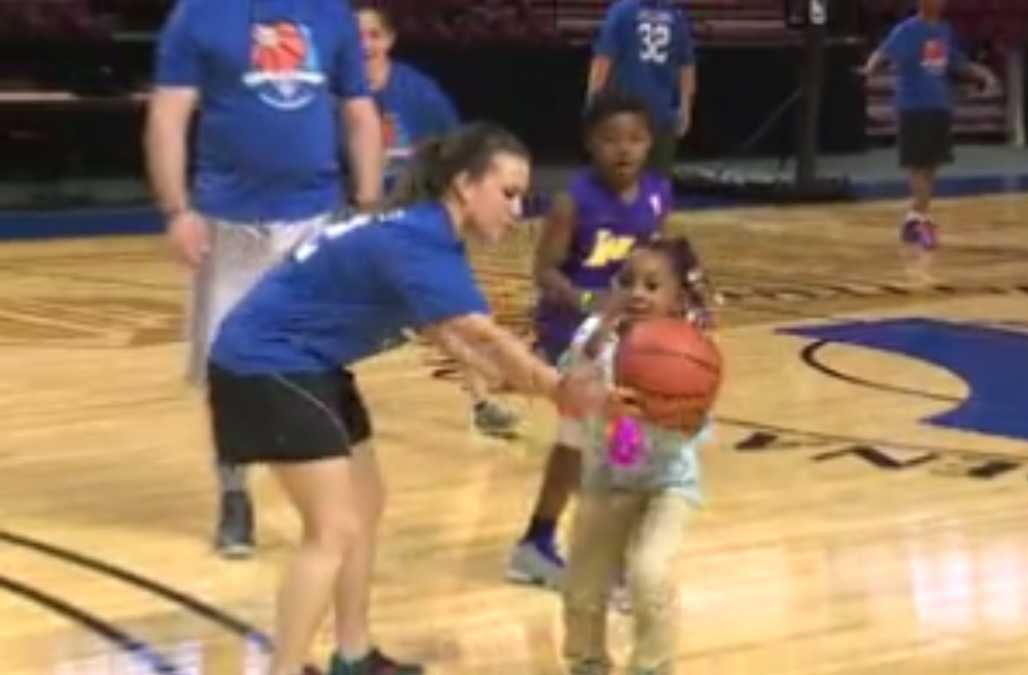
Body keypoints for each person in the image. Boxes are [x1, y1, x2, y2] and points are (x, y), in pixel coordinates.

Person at [206, 122, 637, 675]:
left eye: (522, 198)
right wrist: (557, 388)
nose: (516, 211)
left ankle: (353, 655)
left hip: (310, 363)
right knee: (331, 530)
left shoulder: (422, 233)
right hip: (265, 365)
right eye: (507, 193)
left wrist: (513, 379)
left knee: (365, 505)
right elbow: (481, 334)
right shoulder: (419, 243)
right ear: (464, 186)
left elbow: (450, 334)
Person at [144, 0, 383, 558]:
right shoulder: (198, 14)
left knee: (319, 356)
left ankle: (328, 491)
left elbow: (360, 112)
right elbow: (168, 116)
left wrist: (369, 205)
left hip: (314, 215)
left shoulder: (331, 15)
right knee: (227, 367)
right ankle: (234, 491)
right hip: (228, 220)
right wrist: (177, 209)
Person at [507, 91, 674, 589]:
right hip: (575, 333)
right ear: (590, 143)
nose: (624, 149)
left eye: (636, 139)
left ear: (650, 143)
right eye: (611, 139)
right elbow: (544, 271)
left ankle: (537, 543)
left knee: (579, 445)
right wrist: (588, 301)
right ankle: (608, 559)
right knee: (619, 443)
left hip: (626, 335)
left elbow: (657, 263)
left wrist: (676, 298)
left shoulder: (658, 193)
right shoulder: (572, 200)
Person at [355, 4, 518, 436]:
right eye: (356, 37)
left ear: (390, 39)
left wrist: (457, 212)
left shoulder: (420, 93)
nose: (364, 45)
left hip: (415, 224)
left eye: (373, 35)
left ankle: (484, 400)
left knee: (448, 314)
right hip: (355, 223)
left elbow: (457, 154)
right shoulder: (333, 94)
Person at [561, 237, 715, 675]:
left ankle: (652, 666)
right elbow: (568, 383)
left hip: (668, 483)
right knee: (583, 585)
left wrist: (661, 414)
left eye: (652, 285)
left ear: (678, 298)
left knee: (649, 574)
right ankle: (586, 662)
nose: (637, 294)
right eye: (627, 282)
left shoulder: (692, 350)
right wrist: (603, 398)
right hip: (606, 479)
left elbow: (695, 428)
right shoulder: (595, 337)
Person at [861, 0, 999, 250]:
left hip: (939, 105)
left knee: (932, 165)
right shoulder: (907, 30)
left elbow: (956, 62)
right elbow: (884, 52)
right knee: (917, 164)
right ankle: (921, 219)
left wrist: (983, 74)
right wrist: (870, 68)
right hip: (913, 106)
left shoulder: (944, 30)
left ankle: (914, 218)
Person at [585, 0, 697, 175]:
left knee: (619, 178)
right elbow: (686, 68)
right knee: (658, 180)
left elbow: (603, 60)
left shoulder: (621, 12)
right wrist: (685, 108)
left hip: (624, 113)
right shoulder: (676, 17)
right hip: (663, 113)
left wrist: (593, 101)